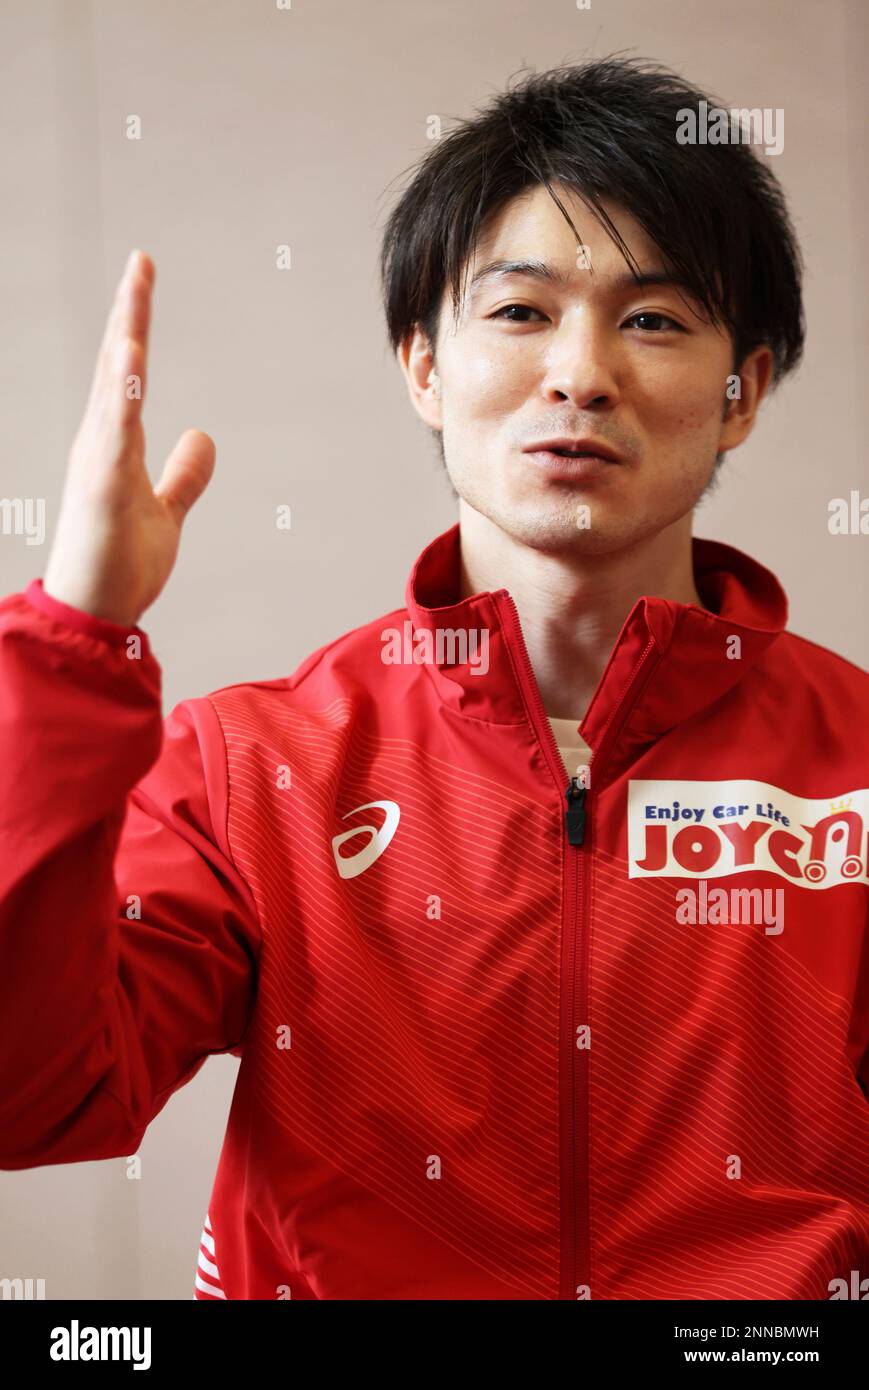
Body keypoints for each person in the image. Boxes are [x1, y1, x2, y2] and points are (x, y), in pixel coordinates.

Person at [1, 56, 867, 1302]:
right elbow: (33, 1098)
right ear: (421, 365)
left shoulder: (849, 775)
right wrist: (70, 638)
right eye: (517, 313)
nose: (579, 373)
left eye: (653, 318)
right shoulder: (260, 770)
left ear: (744, 391)